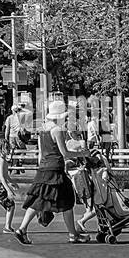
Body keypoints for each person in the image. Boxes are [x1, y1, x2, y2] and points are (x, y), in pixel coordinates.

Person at [11, 101, 88, 245]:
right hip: (55, 170)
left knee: (39, 200)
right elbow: (64, 153)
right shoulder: (57, 130)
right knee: (67, 201)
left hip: (44, 169)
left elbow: (41, 152)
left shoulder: (43, 130)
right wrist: (84, 153)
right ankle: (73, 234)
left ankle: (22, 229)